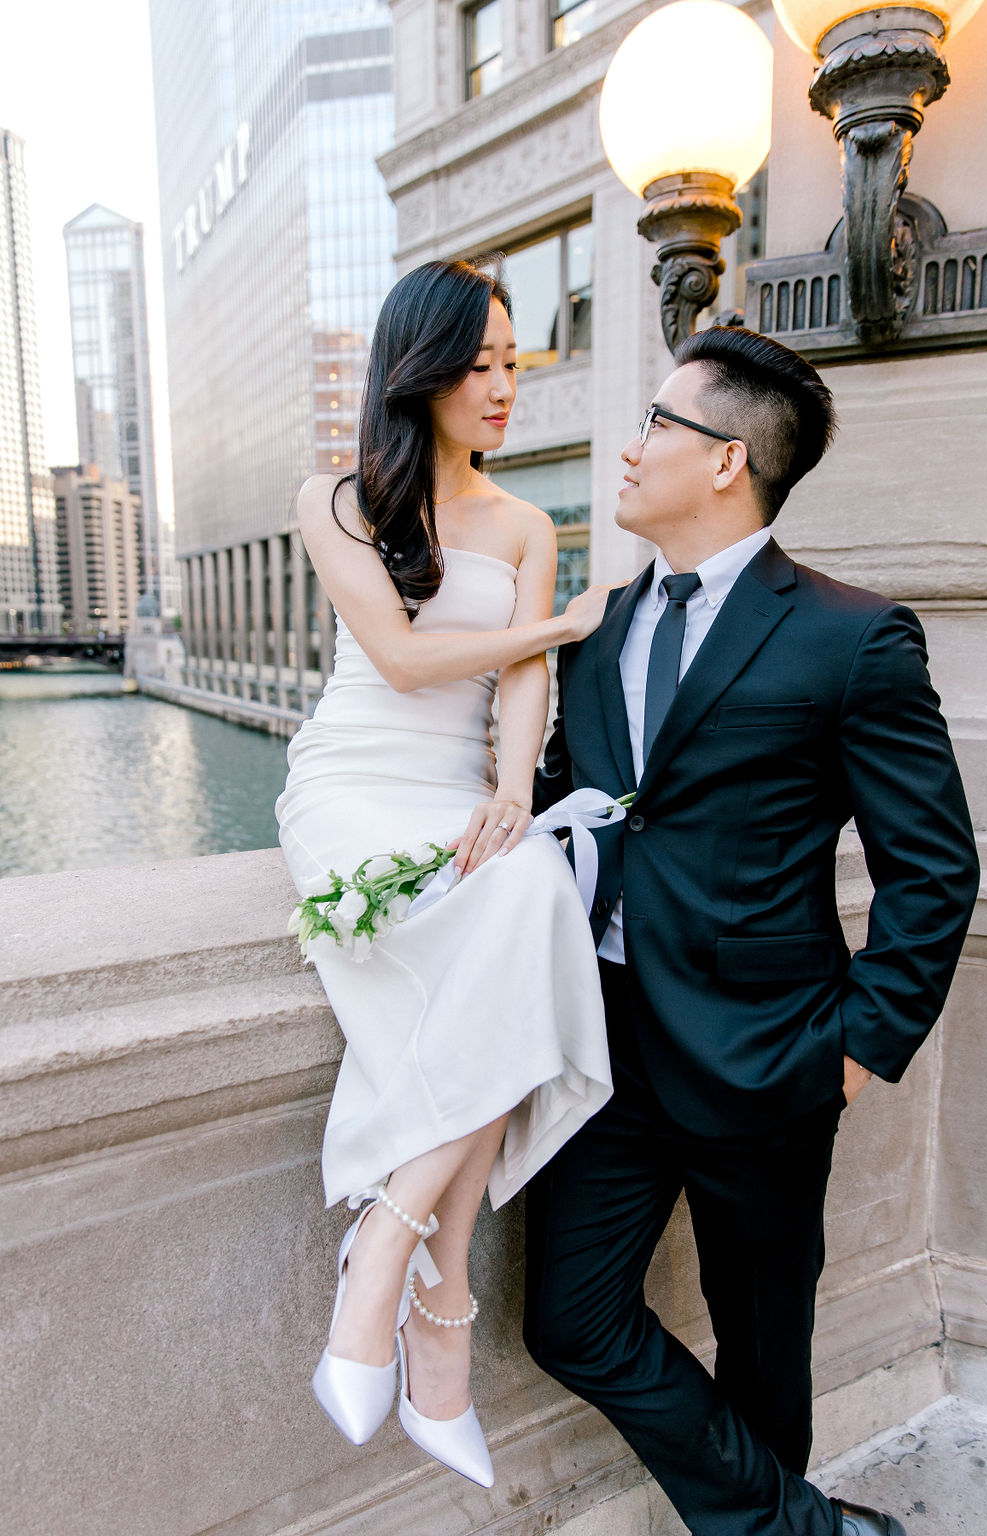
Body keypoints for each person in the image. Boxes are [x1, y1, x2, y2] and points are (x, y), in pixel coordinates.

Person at [525, 325, 980, 1536]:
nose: (626, 451)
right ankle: (811, 1531)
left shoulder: (851, 636)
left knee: (765, 1347)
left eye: (652, 427)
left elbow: (931, 869)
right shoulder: (601, 625)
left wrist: (855, 1046)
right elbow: (564, 800)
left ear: (726, 459)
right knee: (570, 1319)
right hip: (604, 1051)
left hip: (771, 1059)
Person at [275, 259, 613, 1488]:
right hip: (354, 788)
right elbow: (409, 660)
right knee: (505, 961)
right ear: (416, 371)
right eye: (478, 364)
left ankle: (395, 1255)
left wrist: (514, 791)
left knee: (525, 888)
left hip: (458, 796)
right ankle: (425, 1307)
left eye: (513, 364)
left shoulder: (526, 522)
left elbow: (518, 690)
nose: (501, 386)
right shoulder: (339, 499)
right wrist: (562, 622)